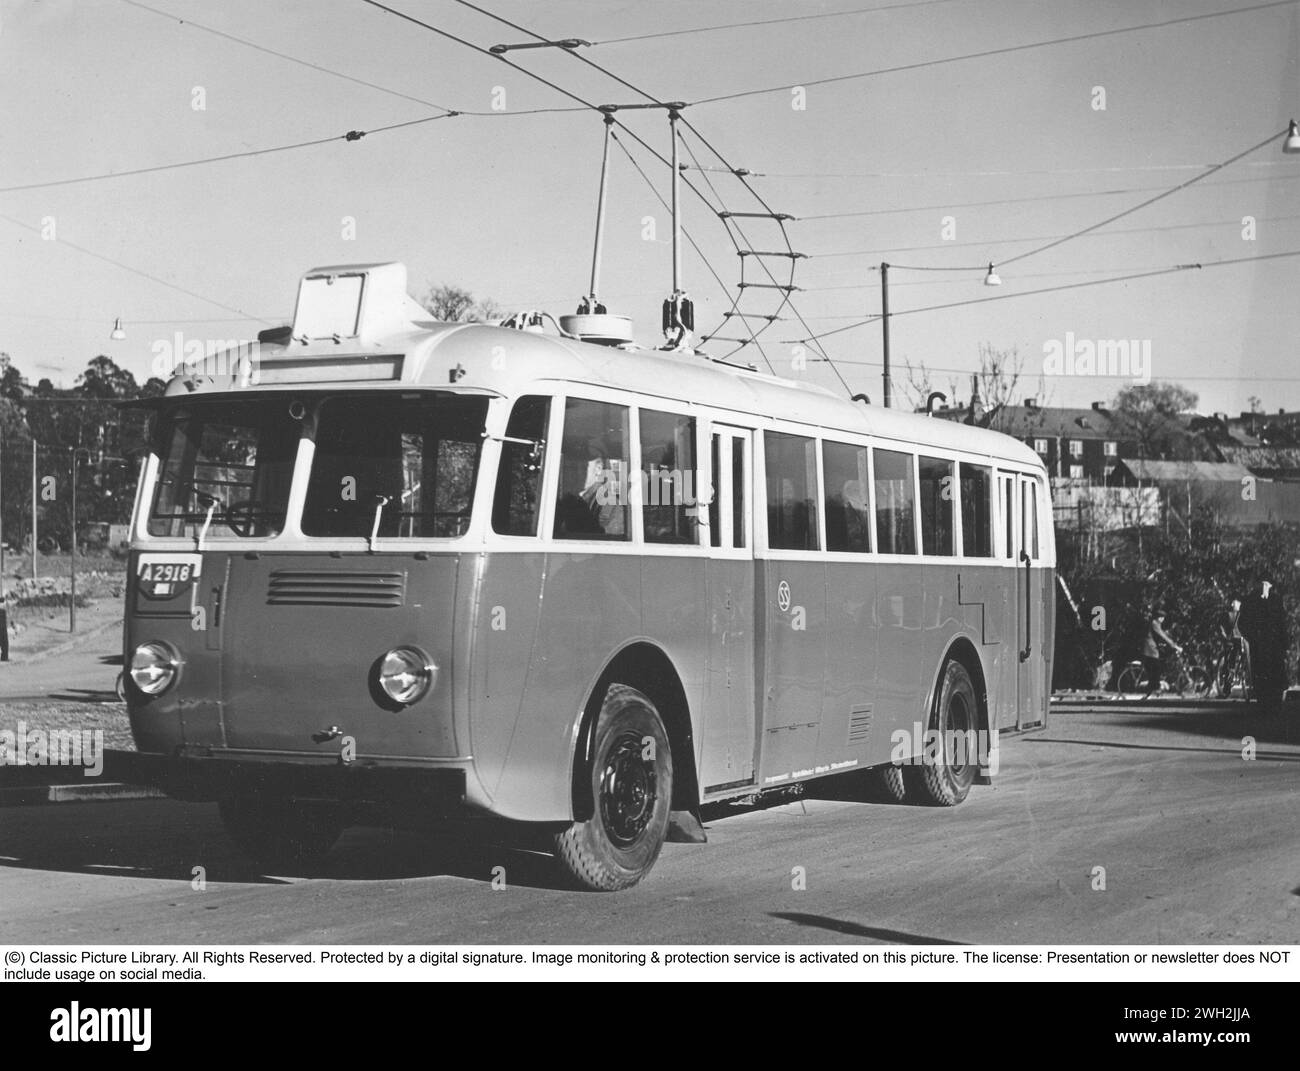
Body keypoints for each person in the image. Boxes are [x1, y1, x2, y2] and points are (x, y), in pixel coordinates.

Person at [1238, 579, 1287, 708]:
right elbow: (1242, 623)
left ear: (1271, 586)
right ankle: (1263, 703)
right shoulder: (1250, 601)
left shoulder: (1276, 600)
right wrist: (1252, 637)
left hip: (1274, 644)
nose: (1264, 587)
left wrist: (1284, 641)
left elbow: (1282, 622)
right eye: (1262, 584)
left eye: (1267, 584)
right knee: (1260, 674)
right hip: (1258, 644)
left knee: (1276, 673)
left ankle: (1275, 703)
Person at [1140, 607, 1182, 698]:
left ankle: (1151, 692)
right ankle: (1156, 688)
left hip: (1151, 649)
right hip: (1150, 650)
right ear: (1159, 617)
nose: (1163, 619)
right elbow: (1162, 635)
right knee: (1156, 670)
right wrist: (1175, 646)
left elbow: (1162, 635)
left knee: (1155, 671)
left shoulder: (1155, 624)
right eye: (1162, 617)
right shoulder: (1154, 623)